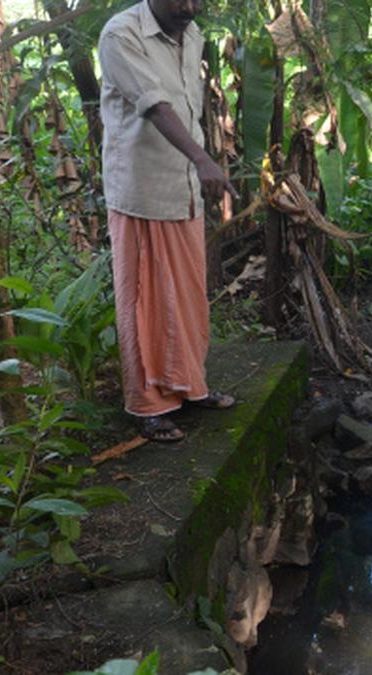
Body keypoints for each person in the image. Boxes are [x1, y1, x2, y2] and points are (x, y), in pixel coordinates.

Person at [98, 0, 235, 441]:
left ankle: (190, 387)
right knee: (144, 303)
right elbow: (154, 105)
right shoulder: (121, 35)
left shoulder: (191, 35)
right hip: (142, 190)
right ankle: (149, 406)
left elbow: (188, 106)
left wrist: (199, 164)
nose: (190, 7)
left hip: (183, 187)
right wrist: (202, 159)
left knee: (188, 296)